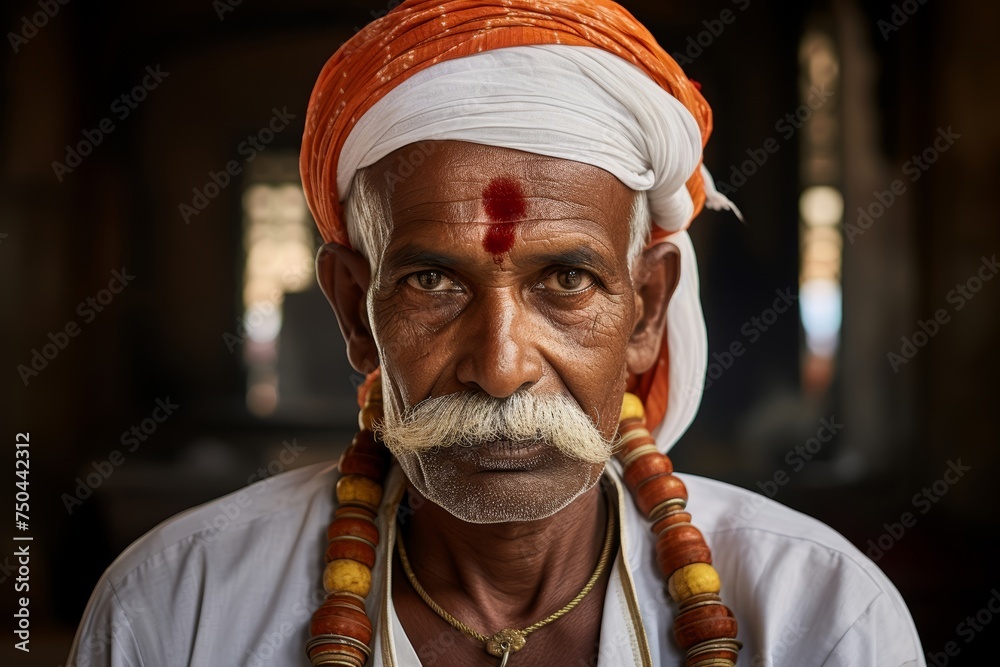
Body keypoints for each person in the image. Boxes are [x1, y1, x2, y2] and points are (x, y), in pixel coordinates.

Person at [69, 1, 925, 665]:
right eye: (432, 280)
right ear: (352, 311)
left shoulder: (824, 612)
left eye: (567, 280)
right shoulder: (176, 604)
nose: (502, 367)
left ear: (648, 309)